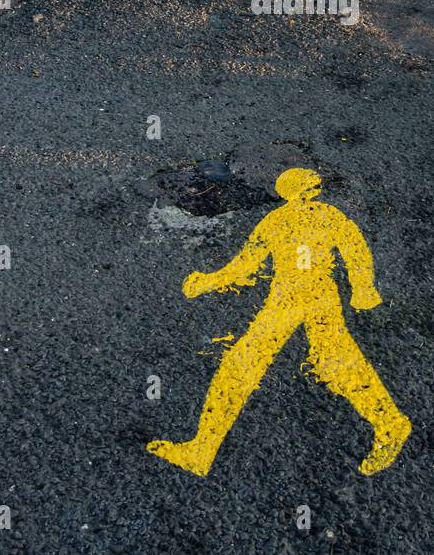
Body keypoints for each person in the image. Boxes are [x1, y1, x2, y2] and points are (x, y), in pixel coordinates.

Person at [147, 167, 411, 477]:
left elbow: (243, 267)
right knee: (324, 362)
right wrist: (363, 290)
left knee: (253, 364)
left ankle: (202, 449)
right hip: (304, 298)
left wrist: (206, 282)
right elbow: (355, 251)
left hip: (297, 299)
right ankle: (391, 424)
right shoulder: (322, 216)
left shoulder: (277, 221)